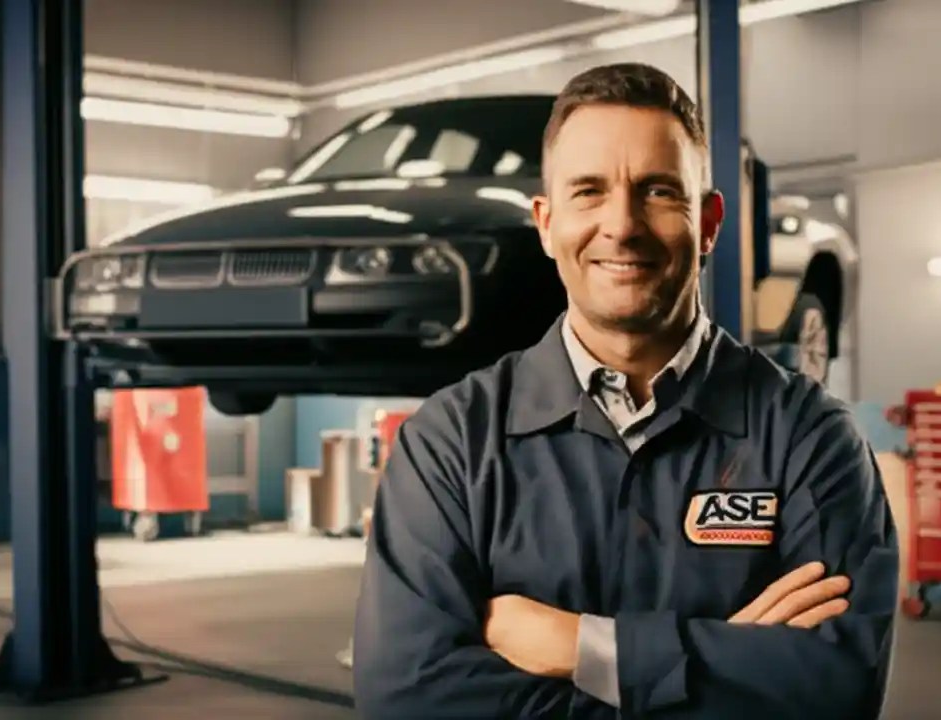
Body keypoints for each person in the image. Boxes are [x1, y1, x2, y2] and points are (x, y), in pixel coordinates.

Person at [352, 62, 898, 719]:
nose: (623, 225)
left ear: (710, 223)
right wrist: (729, 670)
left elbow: (838, 689)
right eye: (588, 192)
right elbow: (406, 700)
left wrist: (582, 647)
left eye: (659, 191)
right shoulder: (450, 445)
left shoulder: (809, 438)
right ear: (546, 224)